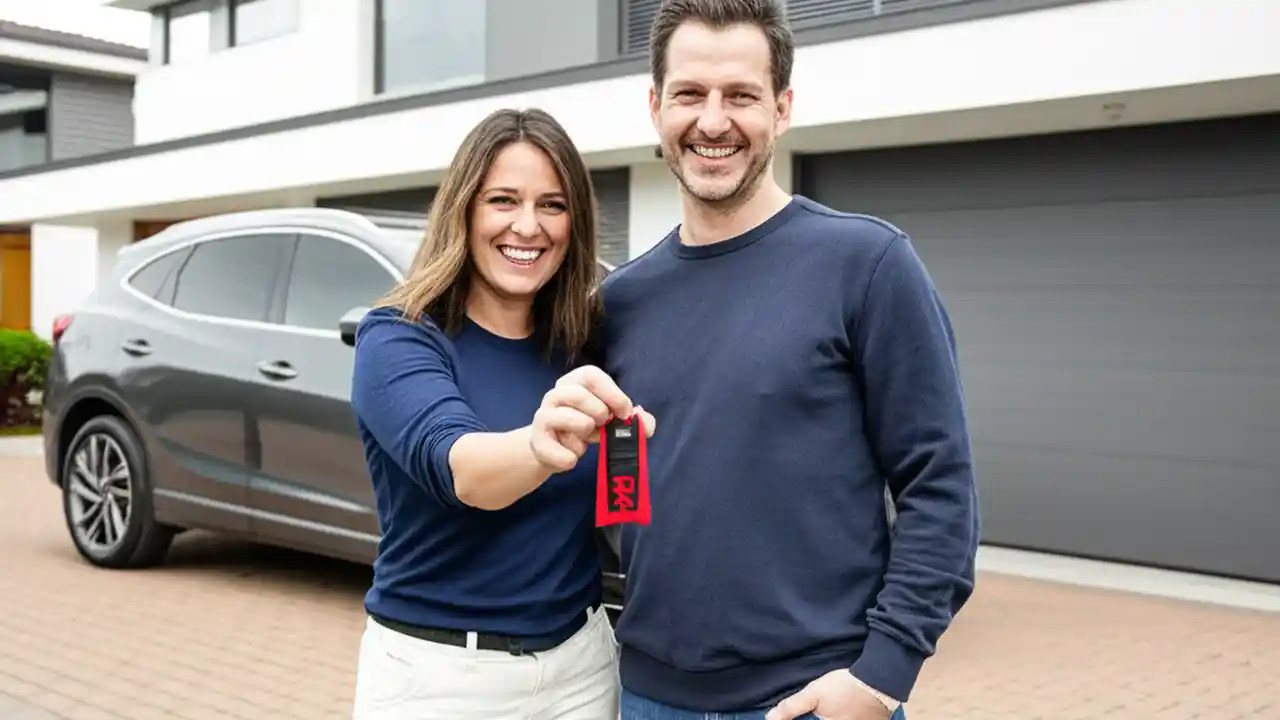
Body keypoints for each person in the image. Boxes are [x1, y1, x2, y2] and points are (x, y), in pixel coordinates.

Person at [599, 1, 980, 719]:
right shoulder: (621, 302)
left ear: (782, 108)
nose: (713, 121)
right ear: (656, 108)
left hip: (816, 697)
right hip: (651, 698)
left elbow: (940, 485)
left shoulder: (867, 264)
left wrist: (883, 675)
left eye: (741, 96)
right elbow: (622, 487)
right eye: (690, 94)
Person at [348, 107, 654, 719]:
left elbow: (624, 506)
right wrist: (539, 444)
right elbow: (461, 468)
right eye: (503, 200)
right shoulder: (398, 338)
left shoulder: (585, 345)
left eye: (552, 205)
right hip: (440, 681)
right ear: (463, 209)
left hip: (581, 670)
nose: (528, 226)